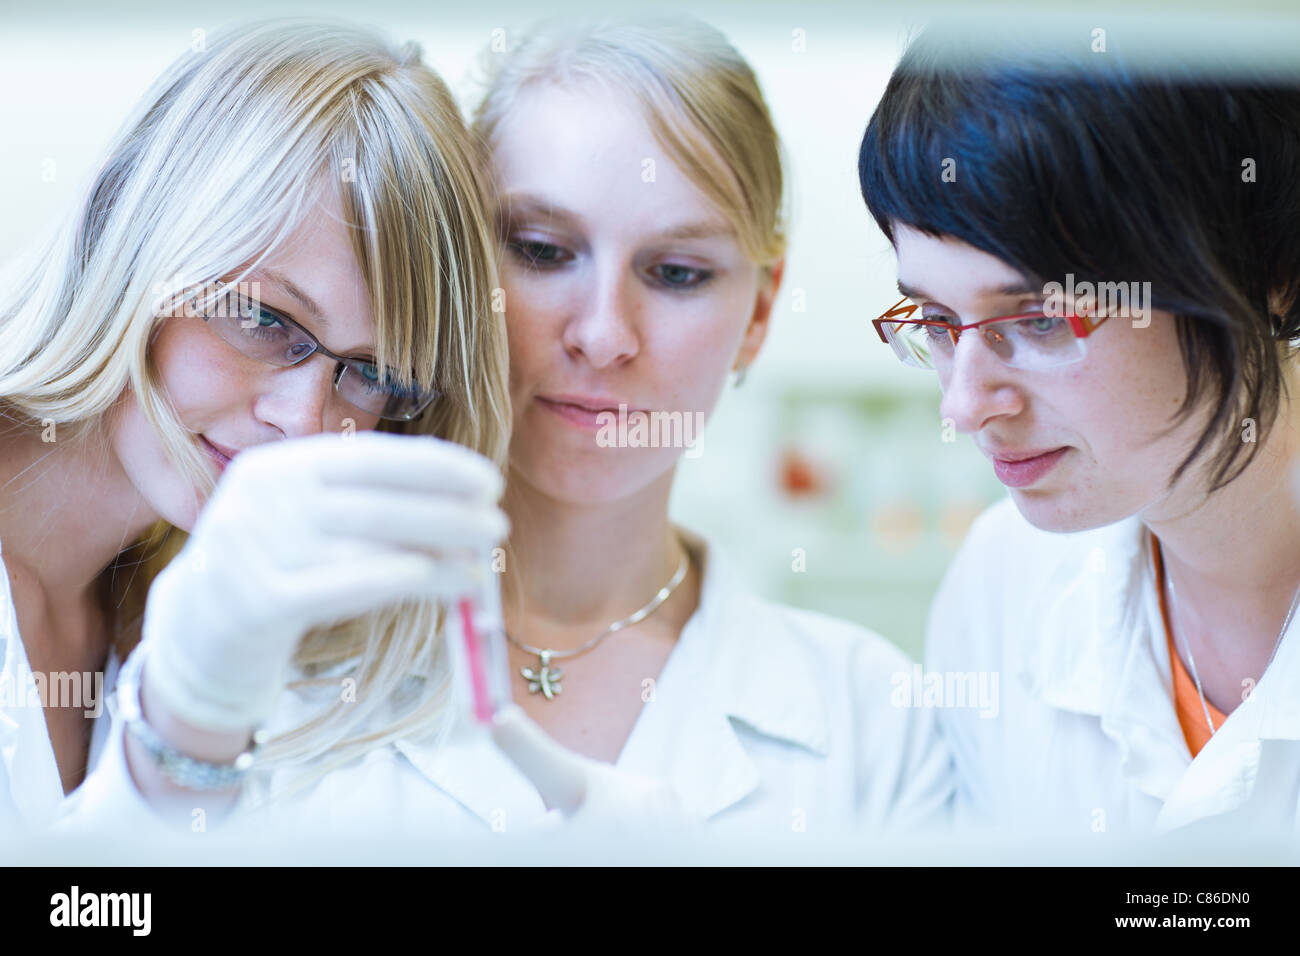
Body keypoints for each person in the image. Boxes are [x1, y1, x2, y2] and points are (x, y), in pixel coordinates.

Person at [2, 16, 512, 835]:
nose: (305, 424)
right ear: (129, 224)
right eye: (265, 319)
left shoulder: (206, 618)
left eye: (372, 373)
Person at [458, 17, 955, 835]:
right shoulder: (299, 658)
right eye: (543, 251)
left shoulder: (875, 725)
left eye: (677, 273)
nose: (604, 333)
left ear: (760, 310)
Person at [858, 23, 1300, 834]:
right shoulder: (1004, 580)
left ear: (1273, 273)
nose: (963, 406)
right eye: (935, 317)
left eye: (1041, 321)